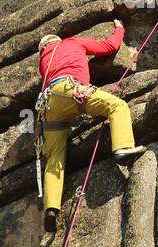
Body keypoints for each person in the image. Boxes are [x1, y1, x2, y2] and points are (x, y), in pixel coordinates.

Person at [36, 22, 144, 233]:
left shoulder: (44, 63)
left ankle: (51, 207)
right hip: (72, 90)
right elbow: (109, 47)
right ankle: (122, 147)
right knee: (116, 106)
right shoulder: (72, 42)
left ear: (43, 49)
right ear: (57, 41)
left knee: (54, 158)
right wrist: (120, 29)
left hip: (49, 105)